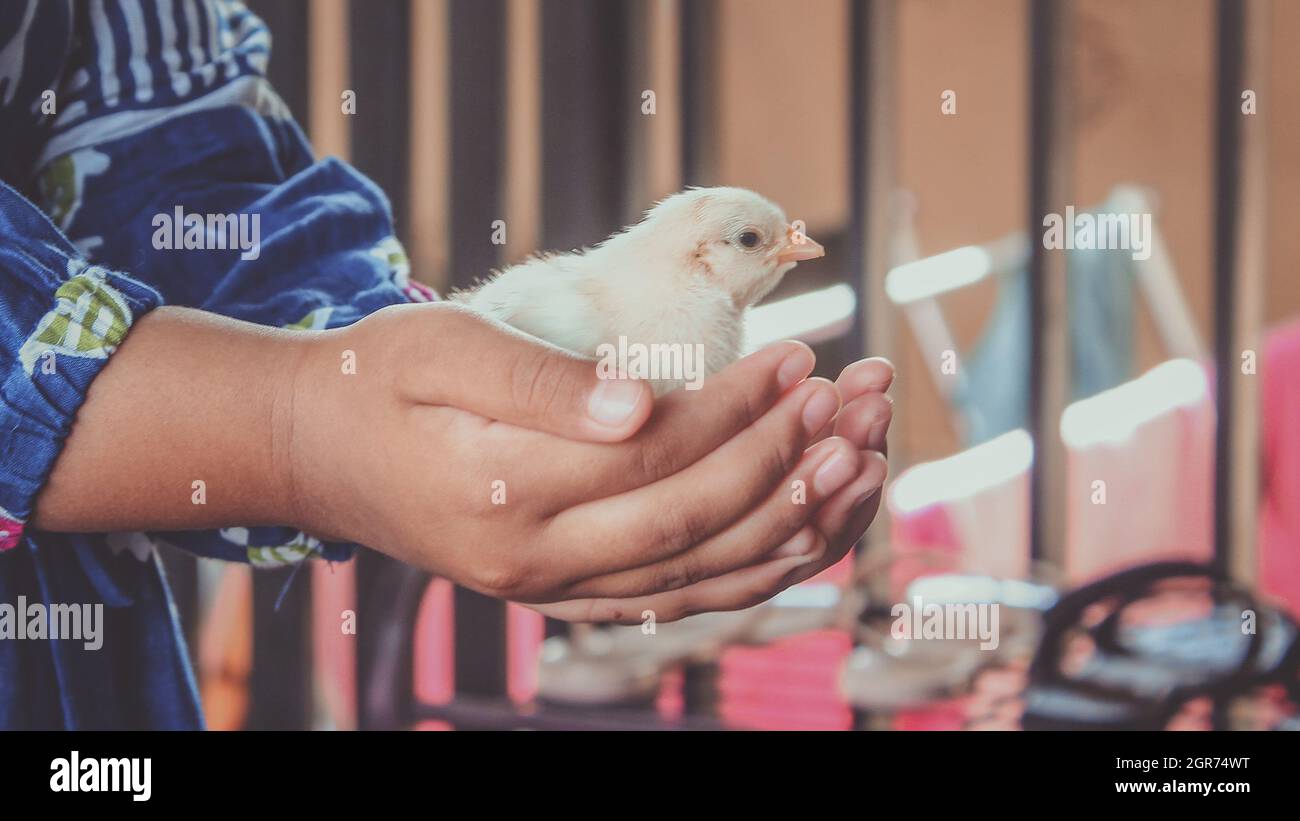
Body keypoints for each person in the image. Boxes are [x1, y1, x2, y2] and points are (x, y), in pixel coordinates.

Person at [0, 0, 893, 729]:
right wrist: (299, 425)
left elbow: (178, 161)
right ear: (700, 258)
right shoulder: (634, 308)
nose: (787, 248)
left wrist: (366, 378)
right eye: (754, 241)